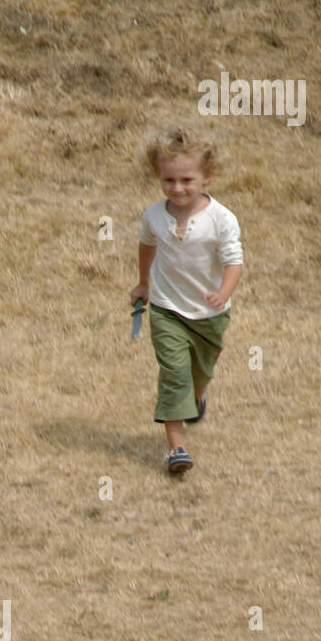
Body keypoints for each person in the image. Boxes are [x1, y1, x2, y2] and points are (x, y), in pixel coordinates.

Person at [130, 125, 243, 474]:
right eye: (169, 181)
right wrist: (143, 284)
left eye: (187, 180)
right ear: (158, 177)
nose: (177, 189)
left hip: (210, 314)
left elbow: (234, 261)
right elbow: (147, 246)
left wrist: (223, 293)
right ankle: (176, 449)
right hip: (167, 310)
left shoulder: (221, 219)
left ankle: (198, 396)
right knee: (174, 373)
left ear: (206, 176)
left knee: (201, 370)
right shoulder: (154, 216)